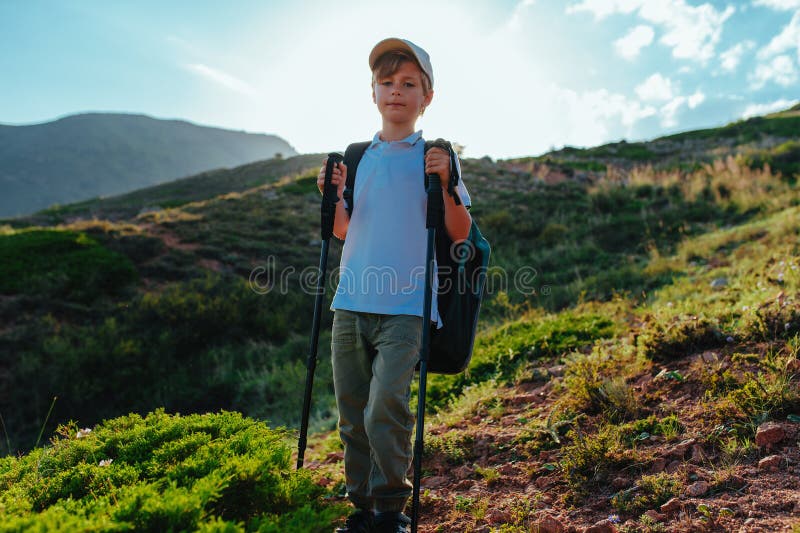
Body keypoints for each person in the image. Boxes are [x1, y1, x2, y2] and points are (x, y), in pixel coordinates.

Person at [316, 37, 472, 533]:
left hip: (406, 306)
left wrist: (446, 181)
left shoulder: (434, 156)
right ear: (374, 93)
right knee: (352, 411)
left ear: (427, 96)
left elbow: (459, 231)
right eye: (387, 83)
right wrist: (334, 196)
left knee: (386, 406)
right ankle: (361, 509)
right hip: (350, 303)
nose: (397, 92)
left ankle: (389, 510)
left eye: (409, 84)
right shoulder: (358, 156)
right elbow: (344, 230)